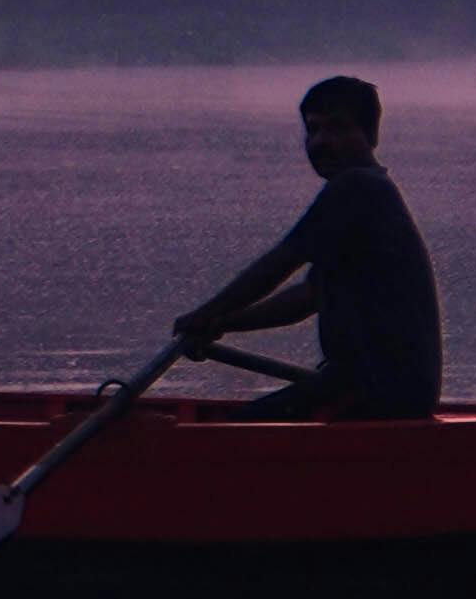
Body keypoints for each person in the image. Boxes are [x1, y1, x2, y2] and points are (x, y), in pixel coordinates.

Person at [176, 74, 442, 419]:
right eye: (313, 129)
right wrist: (224, 323)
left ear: (370, 136)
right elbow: (307, 297)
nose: (320, 142)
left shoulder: (357, 187)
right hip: (371, 385)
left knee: (228, 432)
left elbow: (279, 263)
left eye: (336, 128)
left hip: (379, 392)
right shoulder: (364, 196)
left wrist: (203, 315)